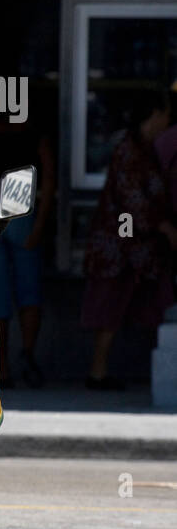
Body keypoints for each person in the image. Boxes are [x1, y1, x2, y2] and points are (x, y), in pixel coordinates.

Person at [80, 88, 177, 390]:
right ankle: (97, 373)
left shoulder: (145, 149)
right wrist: (158, 227)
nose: (168, 120)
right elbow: (128, 203)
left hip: (137, 247)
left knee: (154, 304)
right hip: (122, 247)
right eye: (165, 114)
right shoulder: (129, 150)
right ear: (155, 114)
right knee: (112, 306)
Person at [0, 111, 56, 387]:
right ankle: (28, 356)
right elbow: (49, 178)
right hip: (22, 207)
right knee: (29, 290)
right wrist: (39, 223)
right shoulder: (34, 134)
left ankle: (0, 368)